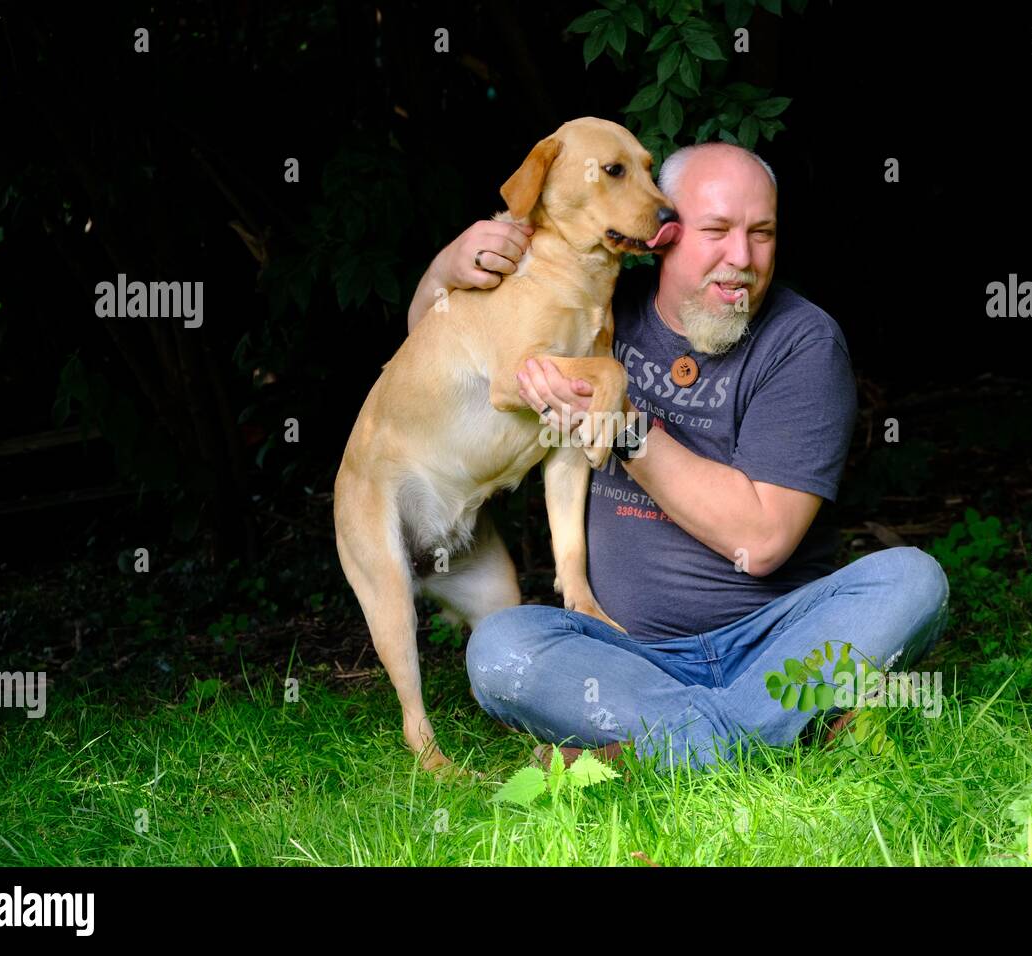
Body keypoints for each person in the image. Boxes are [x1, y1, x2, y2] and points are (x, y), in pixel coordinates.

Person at [406, 141, 949, 772]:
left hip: (774, 640)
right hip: (622, 652)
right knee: (501, 646)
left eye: (762, 234)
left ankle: (650, 747)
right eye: (716, 231)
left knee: (912, 580)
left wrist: (624, 427)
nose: (741, 259)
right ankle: (763, 731)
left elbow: (764, 538)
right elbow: (445, 373)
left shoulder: (803, 343)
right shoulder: (597, 315)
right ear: (662, 233)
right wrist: (441, 274)